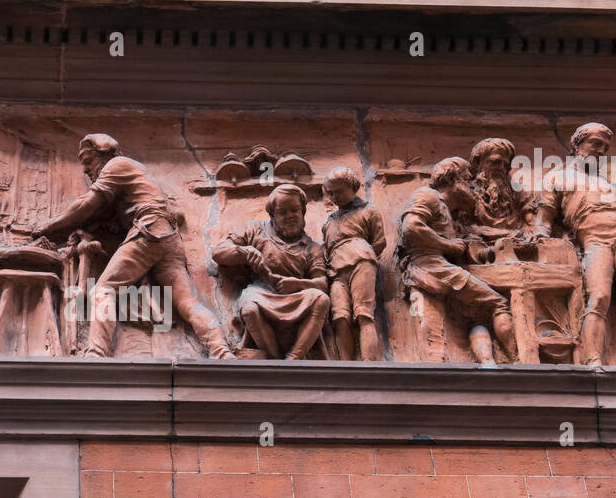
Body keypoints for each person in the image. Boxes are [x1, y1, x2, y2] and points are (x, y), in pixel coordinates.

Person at [32, 133, 233, 358]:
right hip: (168, 238)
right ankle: (222, 351)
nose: (86, 170)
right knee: (188, 303)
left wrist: (48, 227)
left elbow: (86, 204)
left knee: (102, 290)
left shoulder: (117, 165)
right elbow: (174, 213)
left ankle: (95, 353)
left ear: (104, 155)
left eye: (89, 162)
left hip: (148, 233)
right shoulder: (139, 178)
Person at [534, 122, 616, 365]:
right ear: (577, 145)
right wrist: (540, 240)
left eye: (605, 147)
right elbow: (544, 219)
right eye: (595, 144)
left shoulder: (610, 185)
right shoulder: (557, 177)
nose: (601, 151)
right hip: (593, 235)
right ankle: (593, 359)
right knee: (599, 296)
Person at [397, 156, 515, 364]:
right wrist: (448, 246)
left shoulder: (447, 212)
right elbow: (412, 227)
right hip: (432, 268)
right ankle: (517, 358)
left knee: (436, 328)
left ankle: (487, 361)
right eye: (467, 179)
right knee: (497, 303)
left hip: (431, 270)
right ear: (454, 179)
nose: (471, 185)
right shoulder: (428, 195)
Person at [212, 184, 329, 360]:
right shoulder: (256, 231)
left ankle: (294, 357)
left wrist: (298, 284)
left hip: (297, 295)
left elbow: (322, 283)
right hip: (262, 291)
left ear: (303, 211)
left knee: (321, 300)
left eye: (294, 210)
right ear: (273, 215)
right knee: (250, 308)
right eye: (282, 212)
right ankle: (275, 360)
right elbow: (218, 252)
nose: (290, 216)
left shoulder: (312, 248)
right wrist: (245, 252)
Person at [320, 166, 385, 360]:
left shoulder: (369, 211)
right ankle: (346, 365)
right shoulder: (329, 221)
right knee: (340, 317)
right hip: (335, 270)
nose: (334, 197)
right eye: (330, 193)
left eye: (339, 191)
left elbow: (380, 242)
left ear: (352, 187)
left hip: (361, 262)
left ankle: (369, 364)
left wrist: (365, 257)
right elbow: (326, 248)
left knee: (364, 314)